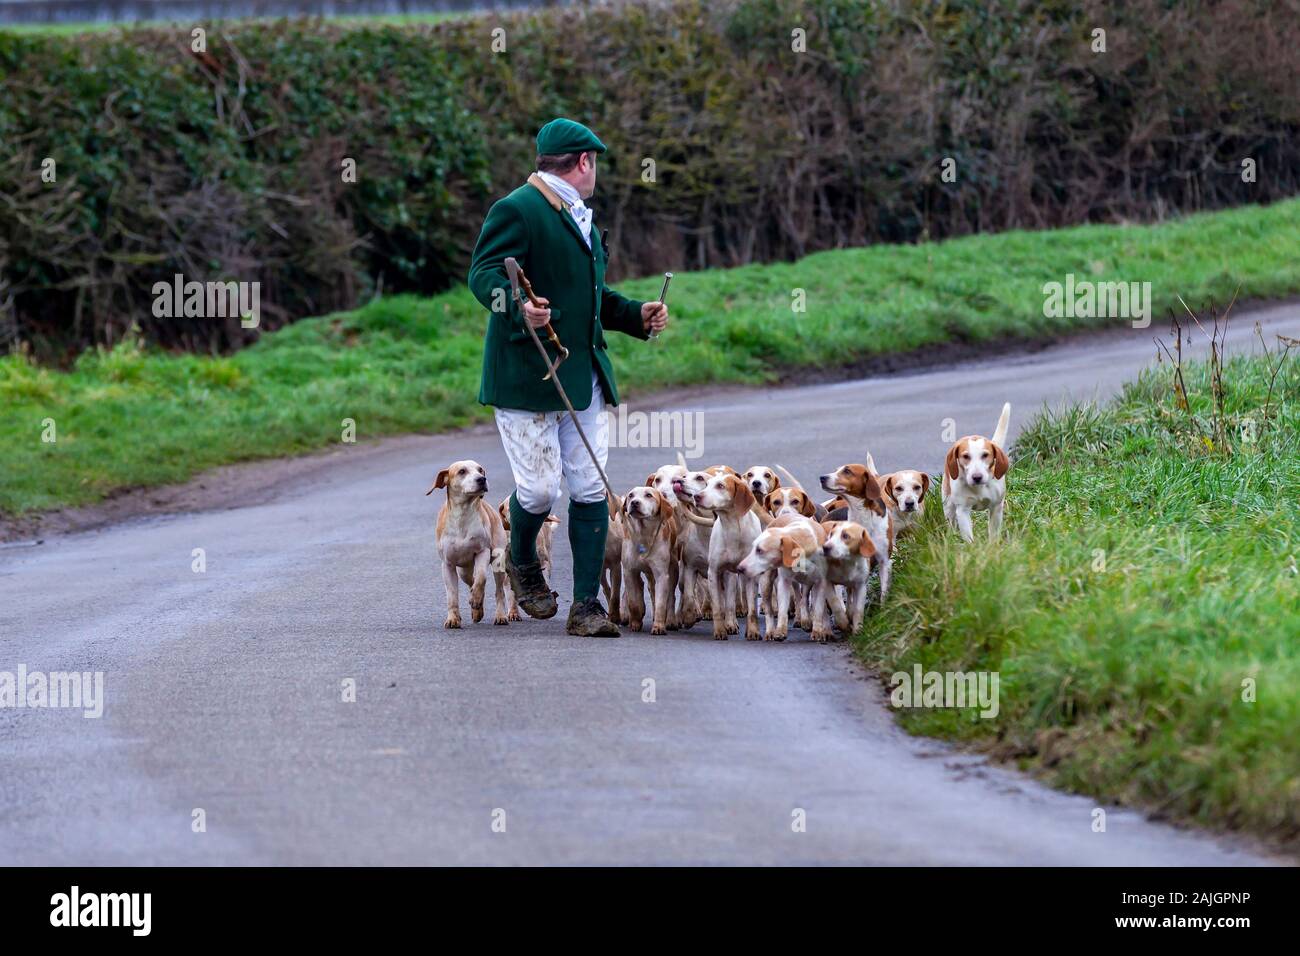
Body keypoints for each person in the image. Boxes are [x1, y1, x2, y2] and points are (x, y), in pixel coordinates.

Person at [468, 118, 669, 637]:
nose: (595, 170)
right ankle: (521, 560)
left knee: (588, 488)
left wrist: (634, 316)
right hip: (526, 379)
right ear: (584, 162)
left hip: (583, 377)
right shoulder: (518, 208)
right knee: (536, 492)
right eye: (594, 162)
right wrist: (519, 308)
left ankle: (586, 607)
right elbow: (483, 276)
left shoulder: (578, 215)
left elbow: (590, 299)